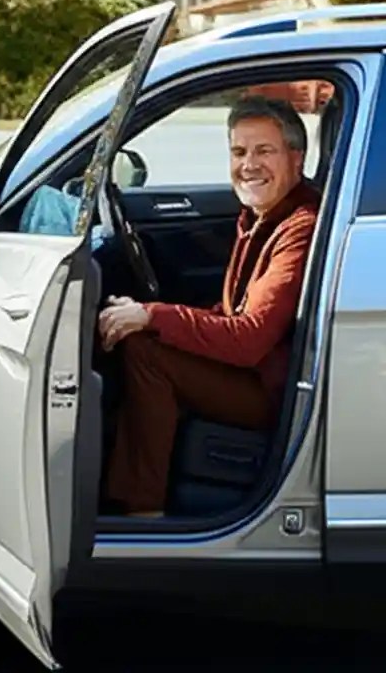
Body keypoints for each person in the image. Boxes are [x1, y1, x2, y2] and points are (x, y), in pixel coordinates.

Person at [98, 95, 322, 516]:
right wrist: (149, 314)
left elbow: (249, 338)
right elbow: (230, 313)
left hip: (274, 389)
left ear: (296, 156)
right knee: (148, 340)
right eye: (239, 152)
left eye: (264, 151)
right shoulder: (262, 215)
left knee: (148, 355)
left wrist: (151, 316)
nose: (248, 164)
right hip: (259, 373)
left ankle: (142, 511)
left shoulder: (299, 226)